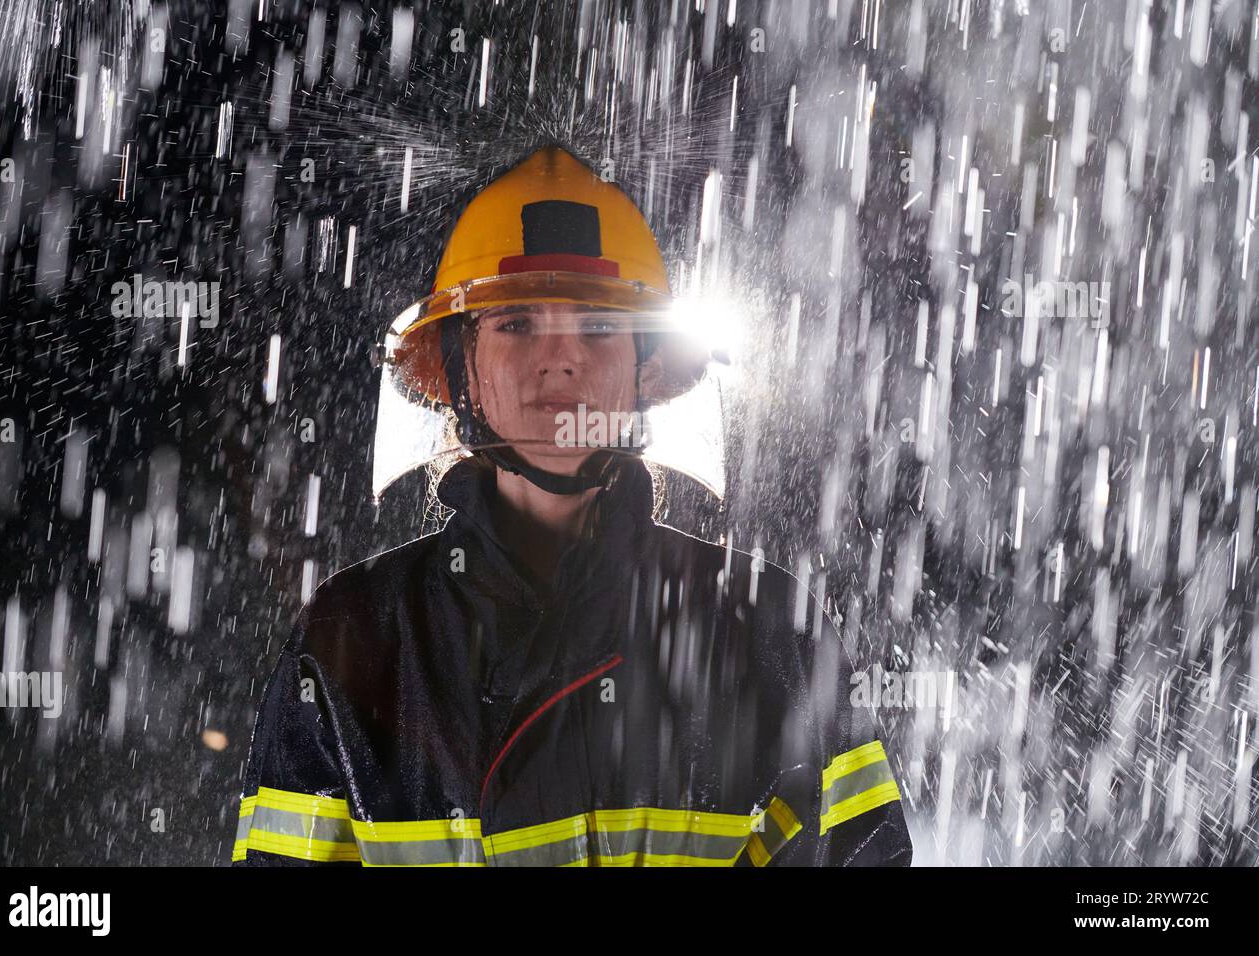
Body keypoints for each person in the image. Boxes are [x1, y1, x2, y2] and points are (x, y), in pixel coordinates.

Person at [231, 144, 913, 866]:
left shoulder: (769, 631)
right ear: (461, 367)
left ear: (642, 368)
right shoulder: (350, 643)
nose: (560, 359)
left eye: (596, 325)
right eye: (517, 322)